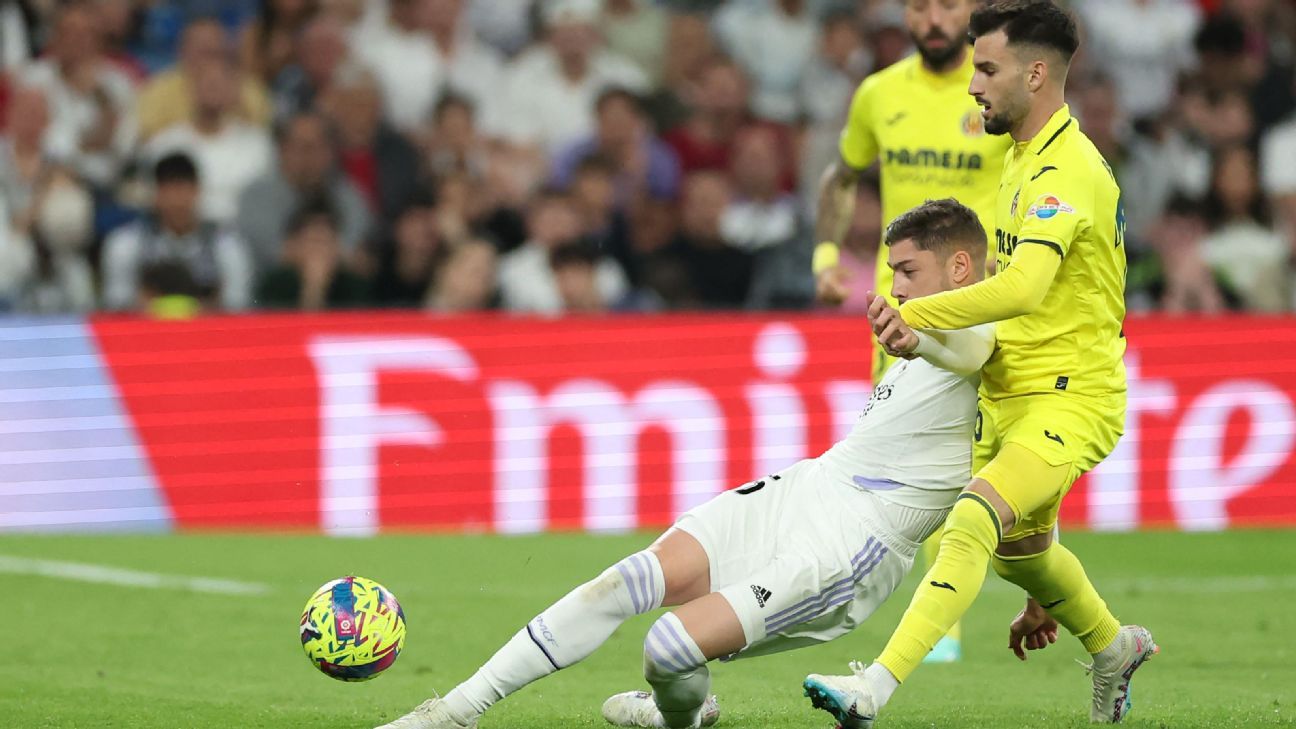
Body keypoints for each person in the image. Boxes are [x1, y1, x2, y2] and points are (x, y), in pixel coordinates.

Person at [375, 200, 996, 729]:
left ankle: (677, 716)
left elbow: (973, 350)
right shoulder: (921, 325)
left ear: (960, 267)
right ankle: (454, 711)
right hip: (809, 486)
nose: (898, 287)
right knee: (623, 582)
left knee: (667, 647)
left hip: (853, 544)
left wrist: (919, 337)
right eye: (895, 273)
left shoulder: (988, 330)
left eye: (909, 271)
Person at [802, 4, 1156, 727]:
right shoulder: (1024, 155)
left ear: (1035, 72)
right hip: (1007, 389)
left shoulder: (1065, 169)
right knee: (1021, 556)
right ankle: (1112, 644)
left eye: (988, 69)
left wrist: (918, 313)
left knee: (970, 519)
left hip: (1068, 396)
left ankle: (873, 685)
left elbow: (1023, 287)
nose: (973, 86)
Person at [811, 0, 1013, 663]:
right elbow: (840, 178)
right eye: (920, 5)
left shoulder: (994, 89)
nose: (933, 18)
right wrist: (825, 254)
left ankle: (1022, 591)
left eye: (948, 5)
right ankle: (932, 618)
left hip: (986, 302)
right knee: (905, 460)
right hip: (900, 309)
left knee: (991, 456)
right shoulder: (879, 94)